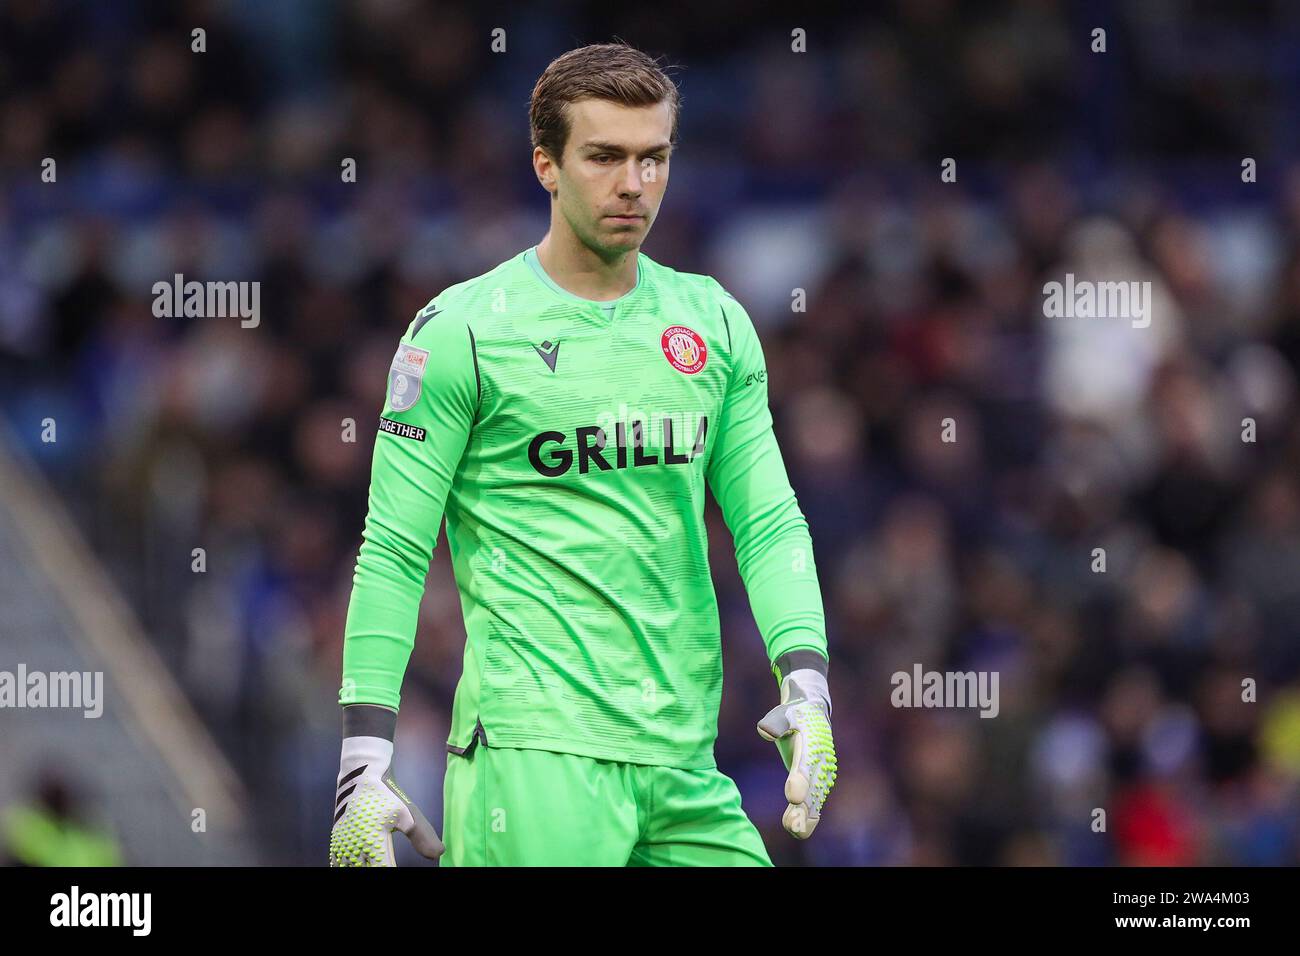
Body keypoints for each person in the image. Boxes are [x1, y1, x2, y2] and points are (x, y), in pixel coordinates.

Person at [329, 41, 836, 867]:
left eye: (653, 158)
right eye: (604, 157)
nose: (633, 185)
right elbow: (392, 550)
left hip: (682, 756)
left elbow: (770, 521)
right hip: (533, 753)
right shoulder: (462, 333)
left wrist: (807, 683)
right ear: (546, 165)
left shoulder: (711, 322)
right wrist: (362, 762)